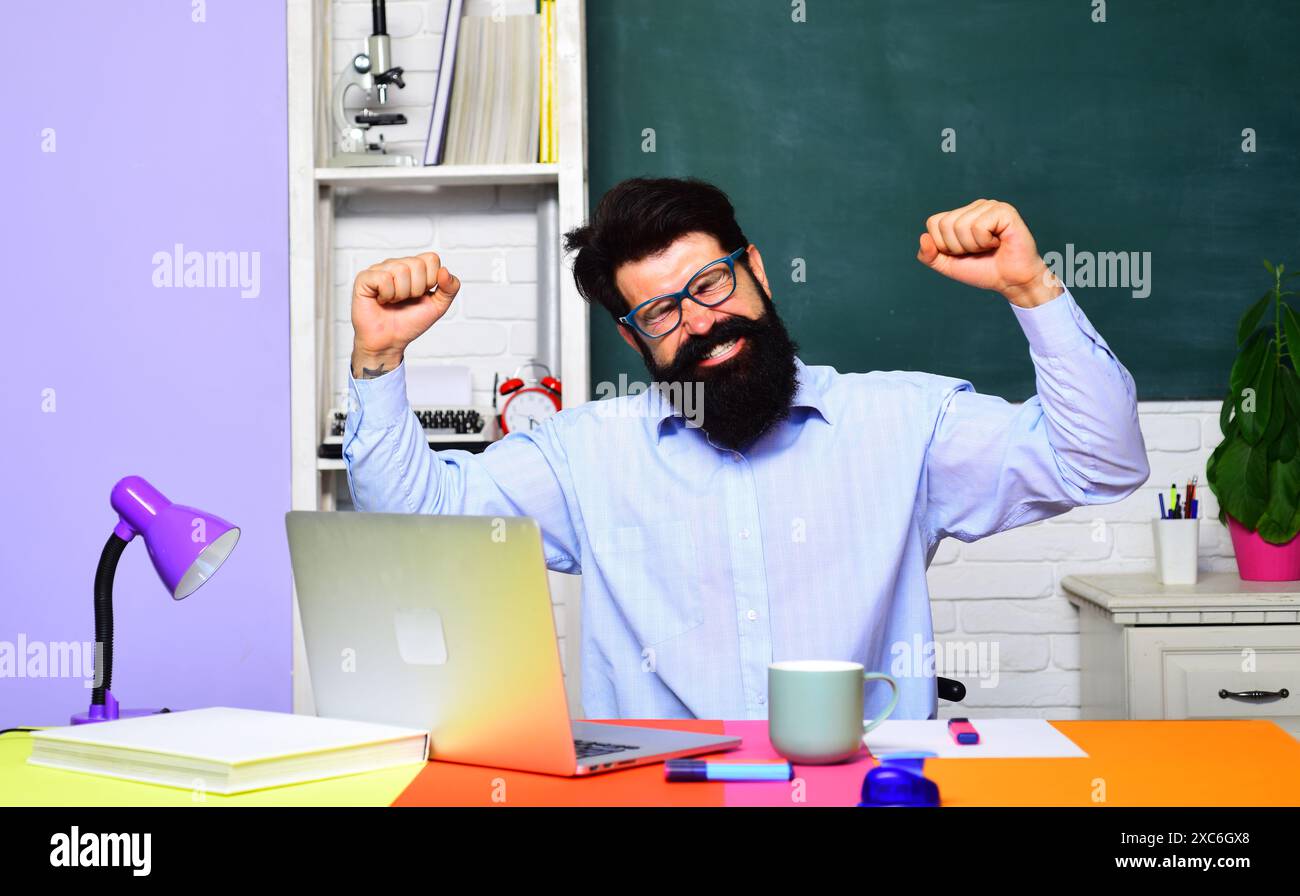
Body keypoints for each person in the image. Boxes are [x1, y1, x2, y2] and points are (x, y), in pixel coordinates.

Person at [342, 177, 1149, 720]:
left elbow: (1100, 462)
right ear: (633, 337)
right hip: (657, 801)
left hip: (862, 794)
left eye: (711, 284)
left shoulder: (903, 423)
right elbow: (422, 518)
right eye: (660, 313)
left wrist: (1031, 289)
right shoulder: (584, 456)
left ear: (754, 267)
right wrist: (378, 361)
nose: (699, 322)